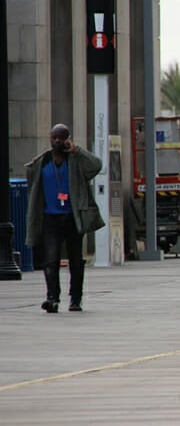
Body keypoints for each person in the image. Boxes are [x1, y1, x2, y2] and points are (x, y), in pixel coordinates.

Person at [25, 124, 105, 313]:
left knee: (75, 261)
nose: (57, 141)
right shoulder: (42, 162)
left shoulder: (76, 160)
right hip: (50, 218)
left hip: (72, 217)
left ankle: (75, 299)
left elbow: (96, 166)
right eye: (54, 138)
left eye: (61, 138)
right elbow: (33, 186)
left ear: (68, 138)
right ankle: (52, 298)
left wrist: (77, 150)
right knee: (50, 260)